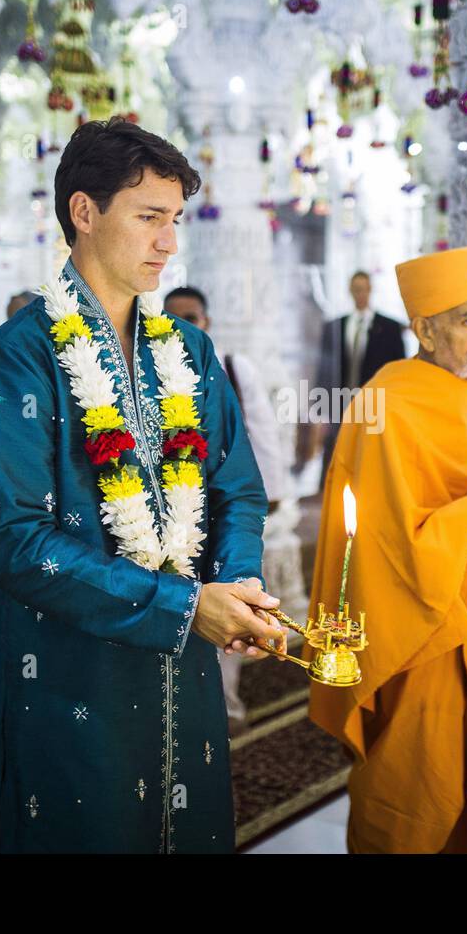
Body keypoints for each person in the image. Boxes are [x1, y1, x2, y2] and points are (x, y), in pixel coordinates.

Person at [0, 119, 286, 853]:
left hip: (190, 674)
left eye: (174, 221)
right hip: (74, 677)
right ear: (84, 212)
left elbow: (236, 485)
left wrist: (236, 587)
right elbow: (17, 542)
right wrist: (182, 603)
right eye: (148, 217)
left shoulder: (190, 351)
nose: (168, 242)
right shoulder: (16, 360)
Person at [306, 245, 467, 853]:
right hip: (415, 621)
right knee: (416, 778)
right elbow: (381, 541)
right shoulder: (383, 401)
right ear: (424, 328)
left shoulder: (466, 395)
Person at [164, 285, 289, 732]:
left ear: (206, 322)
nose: (184, 325)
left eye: (192, 317)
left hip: (225, 512)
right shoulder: (154, 371)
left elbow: (261, 431)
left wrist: (268, 492)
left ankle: (228, 706)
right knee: (186, 611)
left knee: (232, 603)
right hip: (175, 519)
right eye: (174, 316)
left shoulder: (232, 367)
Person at [312, 270, 406, 482]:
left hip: (375, 404)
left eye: (363, 289)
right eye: (356, 290)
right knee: (338, 458)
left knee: (371, 460)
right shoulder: (335, 326)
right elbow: (324, 369)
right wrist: (320, 410)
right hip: (340, 403)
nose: (360, 294)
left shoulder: (390, 327)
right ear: (350, 291)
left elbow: (398, 371)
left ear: (370, 290)